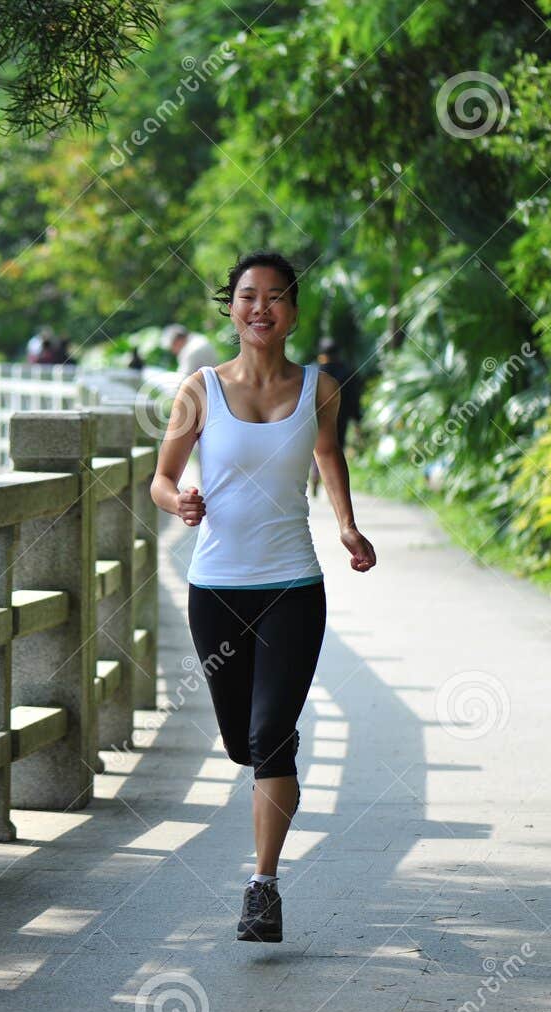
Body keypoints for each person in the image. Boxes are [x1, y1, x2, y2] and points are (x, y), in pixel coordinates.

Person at [149, 250, 377, 943]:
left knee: (270, 737)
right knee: (241, 742)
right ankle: (266, 758)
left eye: (274, 297)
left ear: (293, 313)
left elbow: (328, 456)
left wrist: (345, 524)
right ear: (231, 307)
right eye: (247, 296)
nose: (259, 308)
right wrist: (179, 501)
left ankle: (262, 885)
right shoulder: (199, 389)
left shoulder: (320, 388)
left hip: (293, 588)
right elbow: (160, 479)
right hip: (216, 591)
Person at [309, 336, 365, 497]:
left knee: (317, 449)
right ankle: (334, 488)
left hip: (316, 418)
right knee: (336, 450)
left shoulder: (314, 372)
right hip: (340, 419)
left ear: (321, 354)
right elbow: (354, 399)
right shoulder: (347, 372)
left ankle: (315, 475)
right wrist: (357, 420)